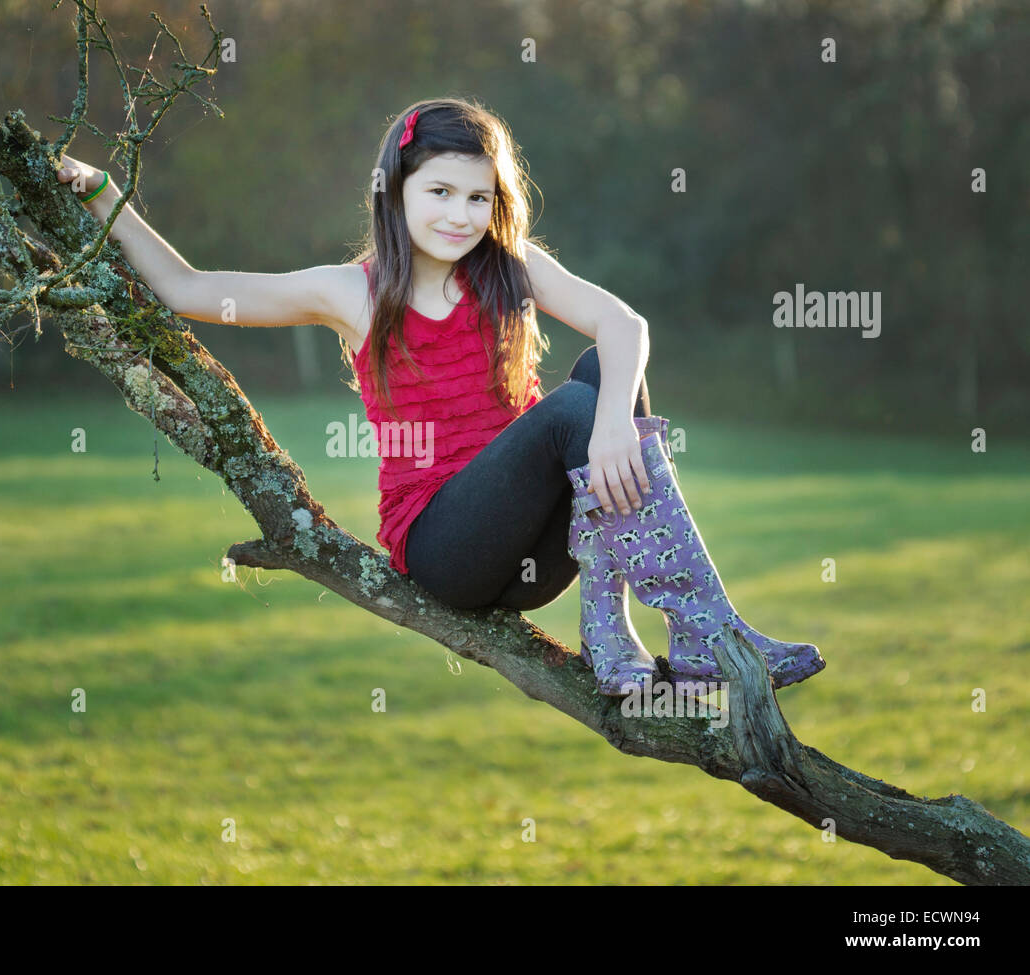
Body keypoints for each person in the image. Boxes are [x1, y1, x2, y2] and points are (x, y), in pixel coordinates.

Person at [56, 96, 824, 695]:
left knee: (605, 373)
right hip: (446, 551)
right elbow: (191, 287)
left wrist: (617, 421)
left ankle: (624, 632)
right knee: (574, 410)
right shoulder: (352, 292)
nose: (461, 215)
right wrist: (103, 192)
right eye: (441, 192)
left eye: (479, 198)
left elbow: (623, 322)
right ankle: (704, 634)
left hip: (538, 550)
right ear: (396, 189)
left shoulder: (506, 267)